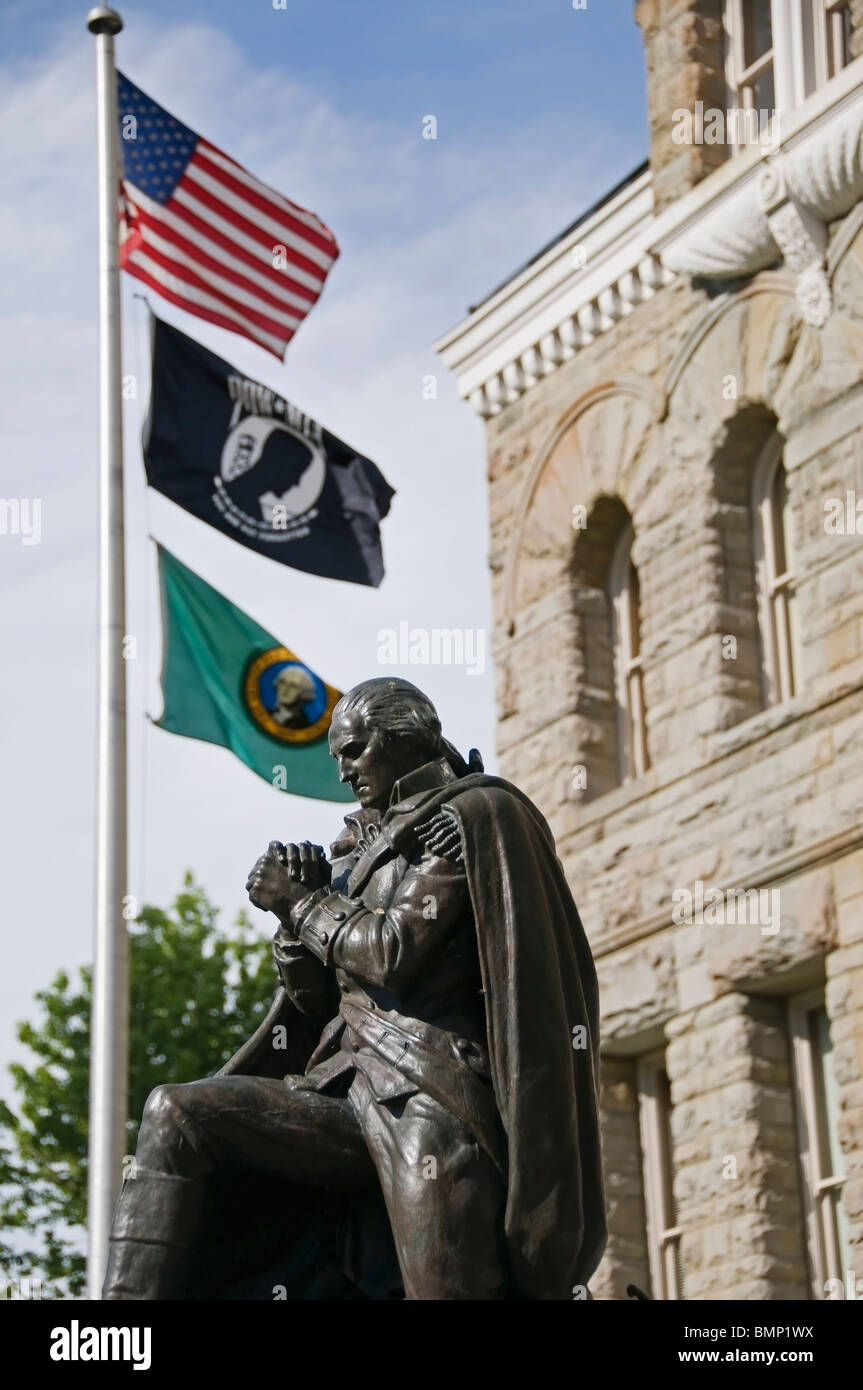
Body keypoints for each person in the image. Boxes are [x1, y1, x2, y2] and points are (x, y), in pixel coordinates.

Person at [103, 677, 606, 1301]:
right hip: (338, 1088)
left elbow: (391, 953)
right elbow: (318, 1004)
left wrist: (303, 902)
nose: (343, 771)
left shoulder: (463, 817)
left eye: (354, 750)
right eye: (338, 756)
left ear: (405, 737)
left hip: (427, 1089)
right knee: (176, 1113)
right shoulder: (358, 845)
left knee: (446, 1286)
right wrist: (292, 926)